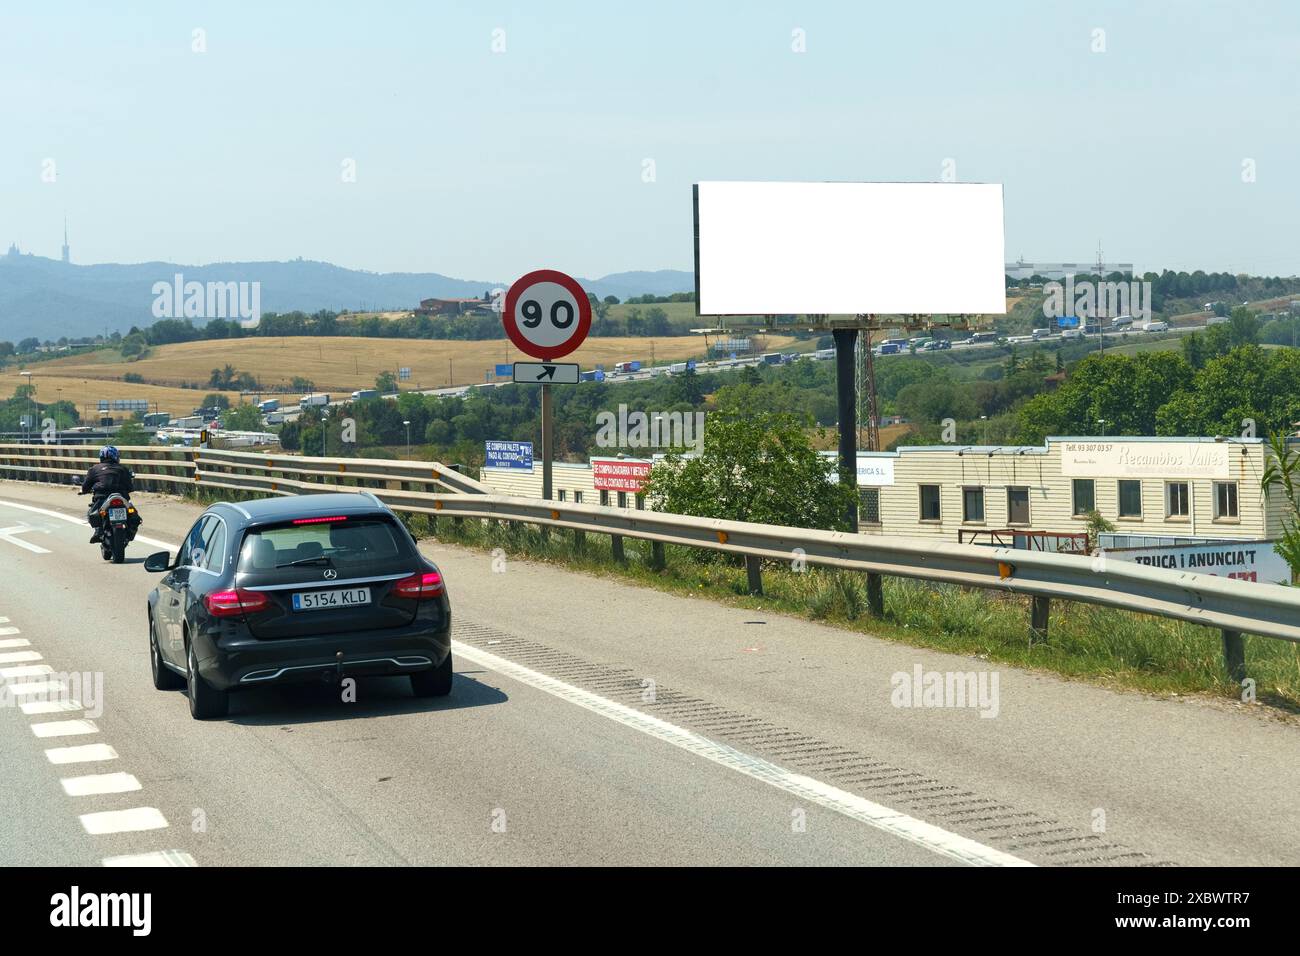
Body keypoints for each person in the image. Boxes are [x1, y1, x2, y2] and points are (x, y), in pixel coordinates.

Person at [81, 446, 135, 543]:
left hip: (102, 498)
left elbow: (85, 486)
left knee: (93, 514)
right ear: (116, 457)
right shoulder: (123, 469)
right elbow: (130, 487)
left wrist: (85, 491)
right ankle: (131, 530)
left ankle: (98, 531)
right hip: (122, 498)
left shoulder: (94, 469)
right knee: (133, 514)